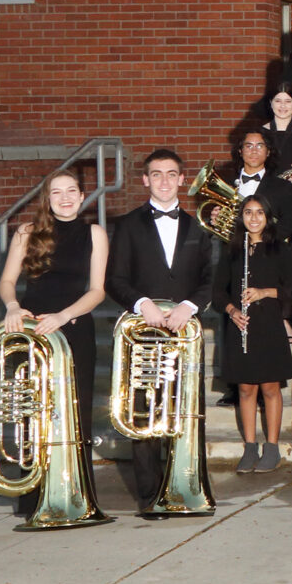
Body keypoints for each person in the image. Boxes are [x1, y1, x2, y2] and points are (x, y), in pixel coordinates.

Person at [106, 149, 215, 513]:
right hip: (145, 332)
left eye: (172, 174)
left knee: (187, 408)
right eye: (157, 174)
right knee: (146, 410)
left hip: (184, 331)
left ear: (182, 180)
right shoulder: (125, 225)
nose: (165, 181)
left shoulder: (200, 225)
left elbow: (211, 279)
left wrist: (189, 306)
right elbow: (114, 279)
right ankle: (150, 495)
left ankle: (187, 488)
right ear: (145, 180)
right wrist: (141, 304)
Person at [0, 169, 108, 518]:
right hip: (34, 331)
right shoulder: (27, 233)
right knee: (35, 413)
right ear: (47, 199)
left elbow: (98, 291)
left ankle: (79, 498)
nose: (65, 197)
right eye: (56, 192)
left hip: (73, 328)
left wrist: (63, 315)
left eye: (71, 190)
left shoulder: (95, 233)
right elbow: (7, 281)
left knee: (76, 413)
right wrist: (13, 307)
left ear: (82, 194)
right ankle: (34, 498)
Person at [215, 195, 292, 472]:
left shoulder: (280, 249)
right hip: (241, 325)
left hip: (269, 323)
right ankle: (250, 447)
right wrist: (231, 311)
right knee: (246, 388)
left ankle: (271, 448)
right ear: (241, 217)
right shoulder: (232, 249)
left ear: (268, 217)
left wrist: (264, 292)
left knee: (271, 388)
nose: (254, 218)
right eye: (248, 212)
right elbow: (217, 291)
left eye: (260, 212)